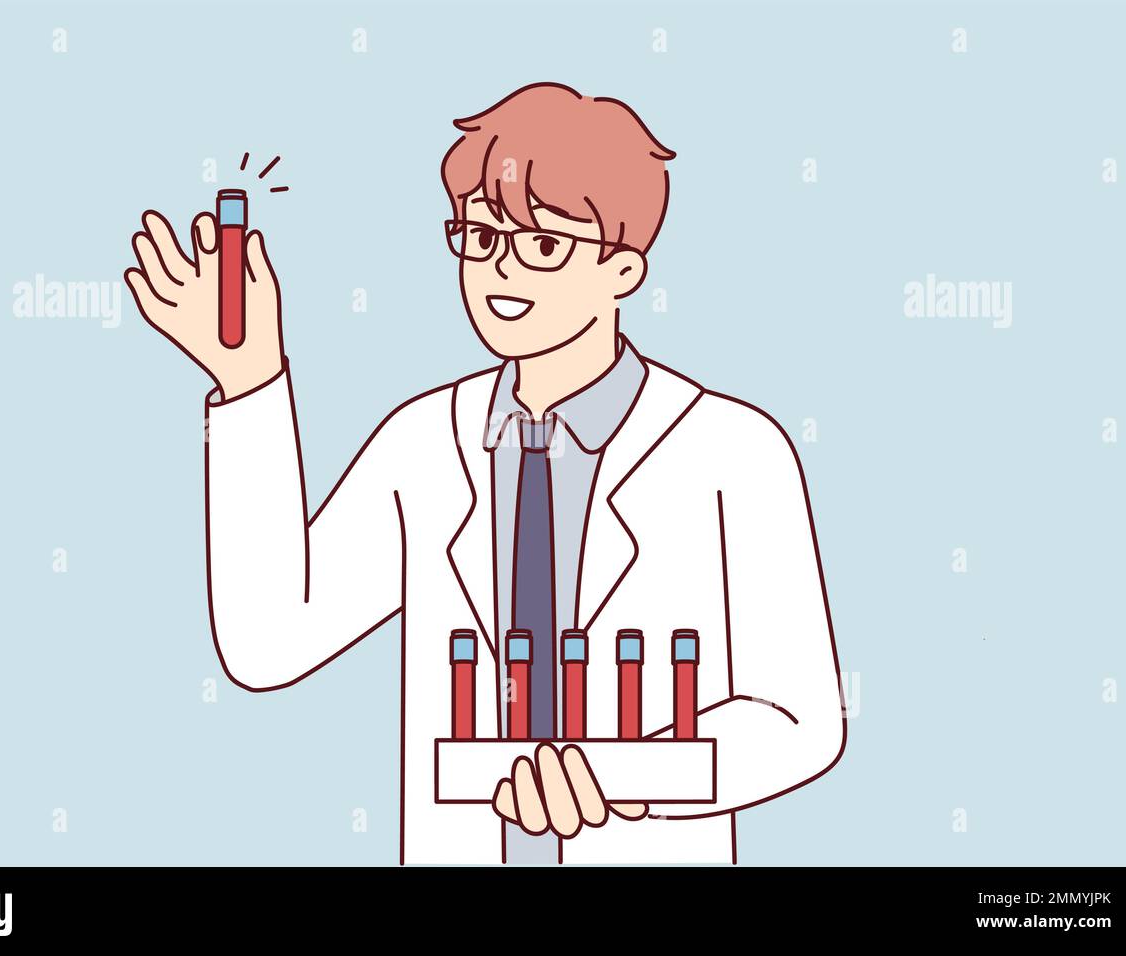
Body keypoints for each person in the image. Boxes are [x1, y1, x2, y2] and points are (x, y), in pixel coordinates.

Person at [124, 82, 846, 865]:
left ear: (624, 269)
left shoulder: (734, 452)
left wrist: (626, 776)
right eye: (480, 235)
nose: (502, 269)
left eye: (544, 245)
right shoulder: (422, 443)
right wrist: (250, 380)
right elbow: (270, 641)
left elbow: (803, 723)